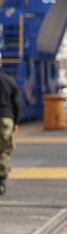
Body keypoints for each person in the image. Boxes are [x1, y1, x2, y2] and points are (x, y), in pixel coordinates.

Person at [0, 50, 19, 197]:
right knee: (4, 150)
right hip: (6, 119)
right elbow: (16, 104)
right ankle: (1, 182)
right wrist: (16, 122)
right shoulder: (9, 81)